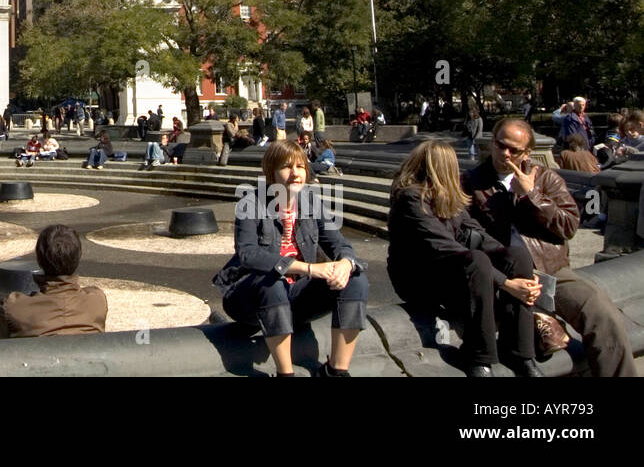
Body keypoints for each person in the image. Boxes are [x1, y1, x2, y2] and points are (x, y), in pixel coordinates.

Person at [463, 118, 634, 377]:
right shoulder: (471, 182)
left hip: (551, 270)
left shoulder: (545, 178)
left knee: (602, 315)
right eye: (500, 145)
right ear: (492, 142)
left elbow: (569, 226)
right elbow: (465, 235)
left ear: (527, 153)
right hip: (505, 272)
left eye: (514, 150)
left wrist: (533, 196)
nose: (505, 154)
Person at [213, 140, 368, 376]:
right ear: (271, 172)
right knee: (273, 281)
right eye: (287, 167)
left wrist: (346, 263)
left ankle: (336, 370)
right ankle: (285, 373)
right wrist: (308, 268)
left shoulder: (311, 202)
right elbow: (249, 255)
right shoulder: (251, 203)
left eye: (301, 167)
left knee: (355, 279)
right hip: (249, 296)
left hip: (295, 296)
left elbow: (339, 243)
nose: (295, 174)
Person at [387, 140, 542, 377]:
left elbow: (476, 233)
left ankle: (521, 352)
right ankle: (479, 357)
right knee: (476, 260)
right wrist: (508, 284)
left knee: (517, 255)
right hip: (419, 278)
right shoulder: (411, 199)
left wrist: (516, 267)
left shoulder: (445, 196)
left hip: (449, 270)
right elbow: (445, 247)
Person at [0, 225, 107, 339]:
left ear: (39, 259)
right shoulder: (97, 300)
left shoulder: (15, 307)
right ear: (79, 257)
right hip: (86, 365)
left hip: (31, 367)